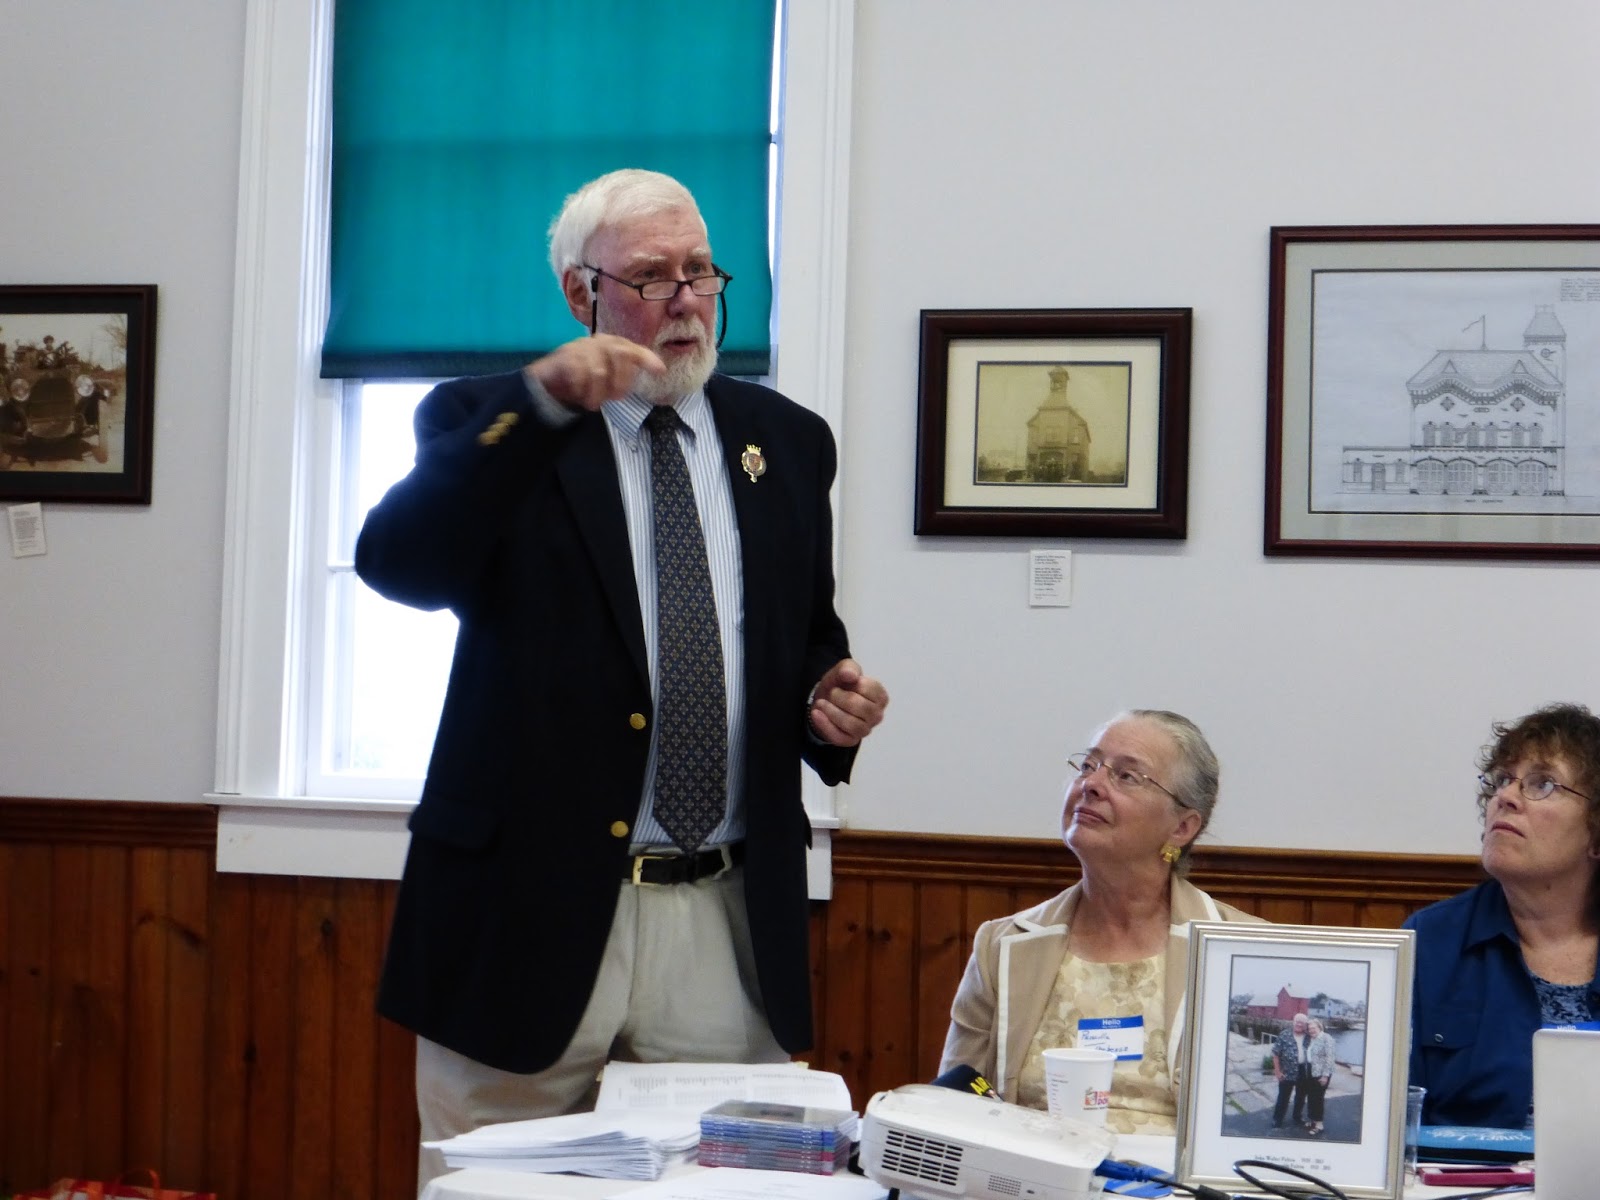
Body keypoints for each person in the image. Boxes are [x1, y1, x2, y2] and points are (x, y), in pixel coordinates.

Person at [354, 168, 890, 1189]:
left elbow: (800, 634)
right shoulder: (488, 423)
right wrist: (542, 402)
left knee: (733, 1185)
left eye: (701, 272)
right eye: (651, 276)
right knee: (497, 1181)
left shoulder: (786, 441)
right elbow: (401, 566)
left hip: (722, 911)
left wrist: (832, 704)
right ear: (579, 294)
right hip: (530, 905)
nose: (686, 301)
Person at [938, 709, 1261, 1133]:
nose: (1091, 784)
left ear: (1182, 826)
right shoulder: (1003, 945)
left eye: (1127, 776)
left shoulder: (1245, 949)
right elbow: (951, 1109)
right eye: (1088, 766)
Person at [1405, 702, 1600, 1129]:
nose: (1506, 797)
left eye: (1543, 783)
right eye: (1502, 781)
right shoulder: (1427, 942)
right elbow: (1394, 1120)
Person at [1270, 1011, 1310, 1131]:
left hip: (1303, 1070)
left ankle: (1297, 1117)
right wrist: (1277, 1071)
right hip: (1287, 1070)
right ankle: (1277, 1119)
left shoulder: (1309, 1036)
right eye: (1297, 1021)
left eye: (1302, 1023)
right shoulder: (1284, 1034)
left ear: (1305, 1025)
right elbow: (1275, 1054)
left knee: (1301, 1096)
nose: (1299, 1024)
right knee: (1283, 1097)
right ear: (1293, 1022)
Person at [1302, 1017, 1336, 1136]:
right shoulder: (1312, 1039)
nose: (1311, 1030)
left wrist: (1325, 1076)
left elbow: (1330, 1058)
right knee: (1311, 1097)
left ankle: (1319, 1124)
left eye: (1313, 1028)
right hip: (1311, 1071)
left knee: (1318, 1098)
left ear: (1319, 1027)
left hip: (1322, 1073)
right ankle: (1312, 1120)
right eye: (1309, 1028)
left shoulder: (1327, 1038)